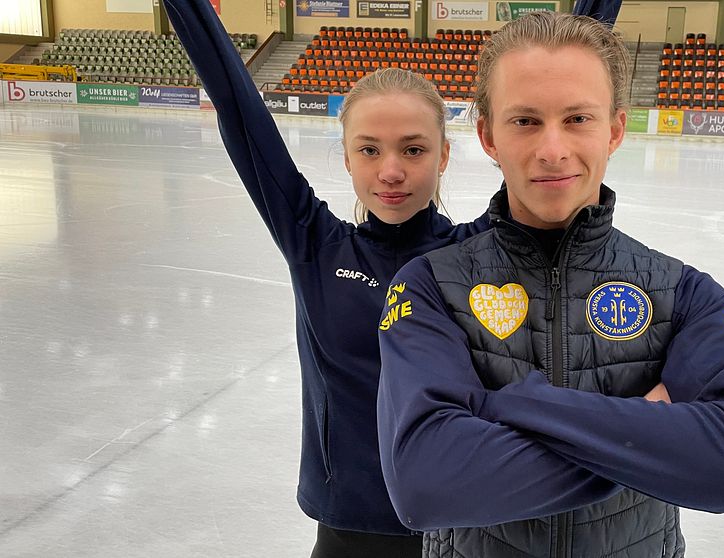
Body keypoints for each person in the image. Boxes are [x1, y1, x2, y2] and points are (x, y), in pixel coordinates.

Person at [377, 11, 724, 558]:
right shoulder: (429, 288)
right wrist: (650, 442)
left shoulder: (685, 294)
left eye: (577, 118)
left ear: (615, 129)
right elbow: (425, 484)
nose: (553, 149)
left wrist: (515, 404)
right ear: (488, 135)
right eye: (525, 121)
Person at [161, 1, 490, 556]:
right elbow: (242, 114)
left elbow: (559, 92)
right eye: (369, 150)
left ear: (444, 156)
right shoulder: (314, 244)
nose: (390, 171)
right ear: (345, 156)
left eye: (413, 149)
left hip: (461, 529)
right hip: (347, 529)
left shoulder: (476, 254)